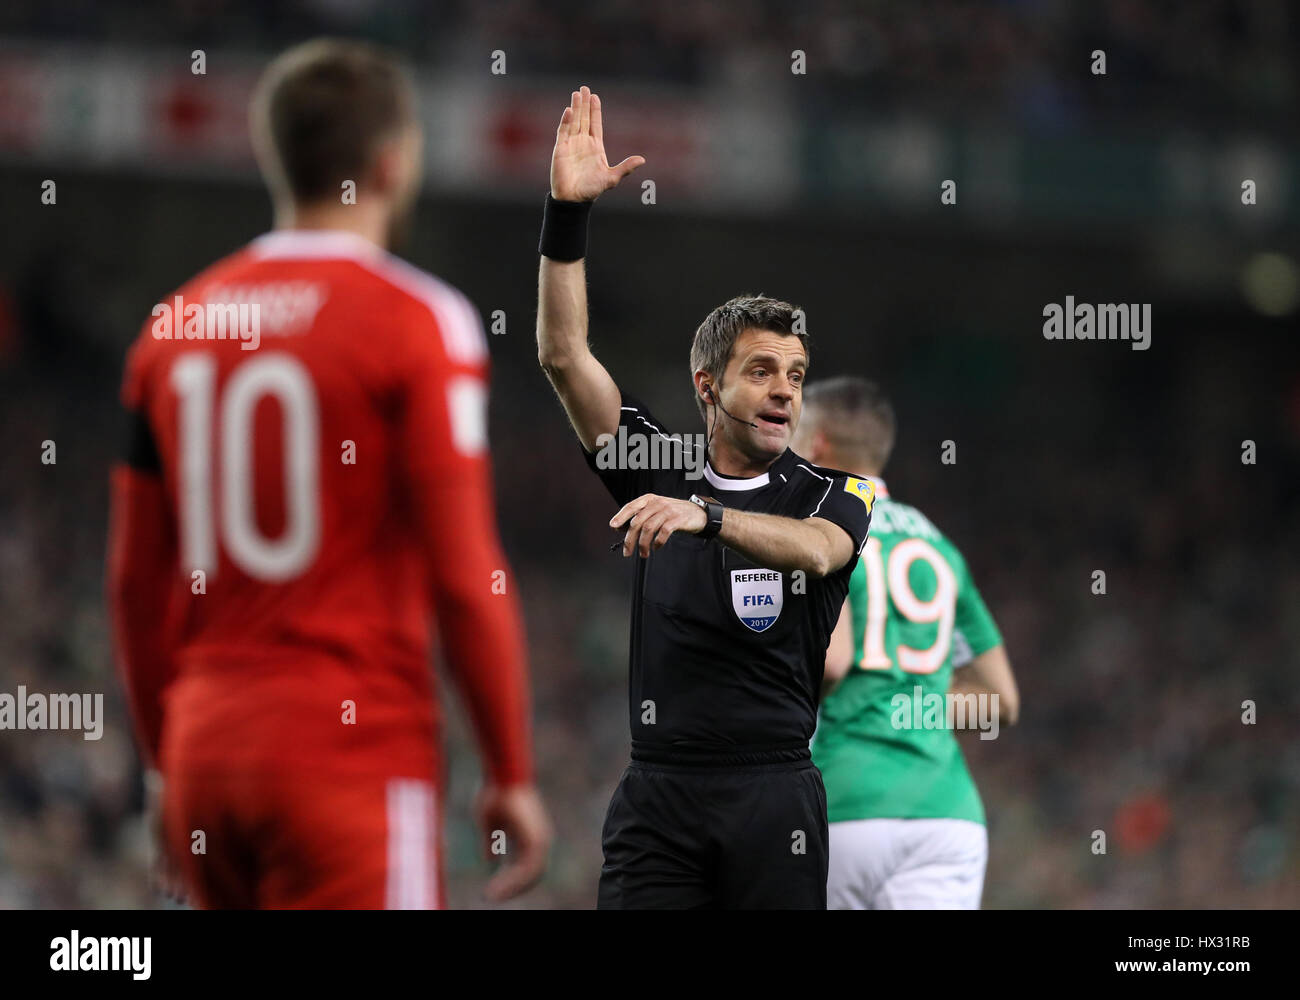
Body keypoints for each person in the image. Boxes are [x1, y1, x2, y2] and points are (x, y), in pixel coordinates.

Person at [107, 39, 550, 909]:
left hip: (205, 754)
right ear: (392, 162)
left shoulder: (170, 329)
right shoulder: (419, 321)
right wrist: (510, 768)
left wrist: (164, 768)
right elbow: (468, 574)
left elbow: (133, 582)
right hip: (345, 754)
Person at [536, 86, 874, 908]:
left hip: (777, 796)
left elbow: (822, 551)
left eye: (795, 376)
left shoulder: (839, 492)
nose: (784, 392)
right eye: (761, 371)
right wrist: (566, 216)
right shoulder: (658, 459)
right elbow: (561, 354)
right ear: (706, 385)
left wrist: (710, 517)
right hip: (661, 792)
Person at [792, 376, 1019, 909]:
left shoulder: (819, 531)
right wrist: (909, 707)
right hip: (947, 814)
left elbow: (833, 665)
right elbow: (1001, 702)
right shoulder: (938, 544)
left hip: (844, 801)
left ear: (818, 443)